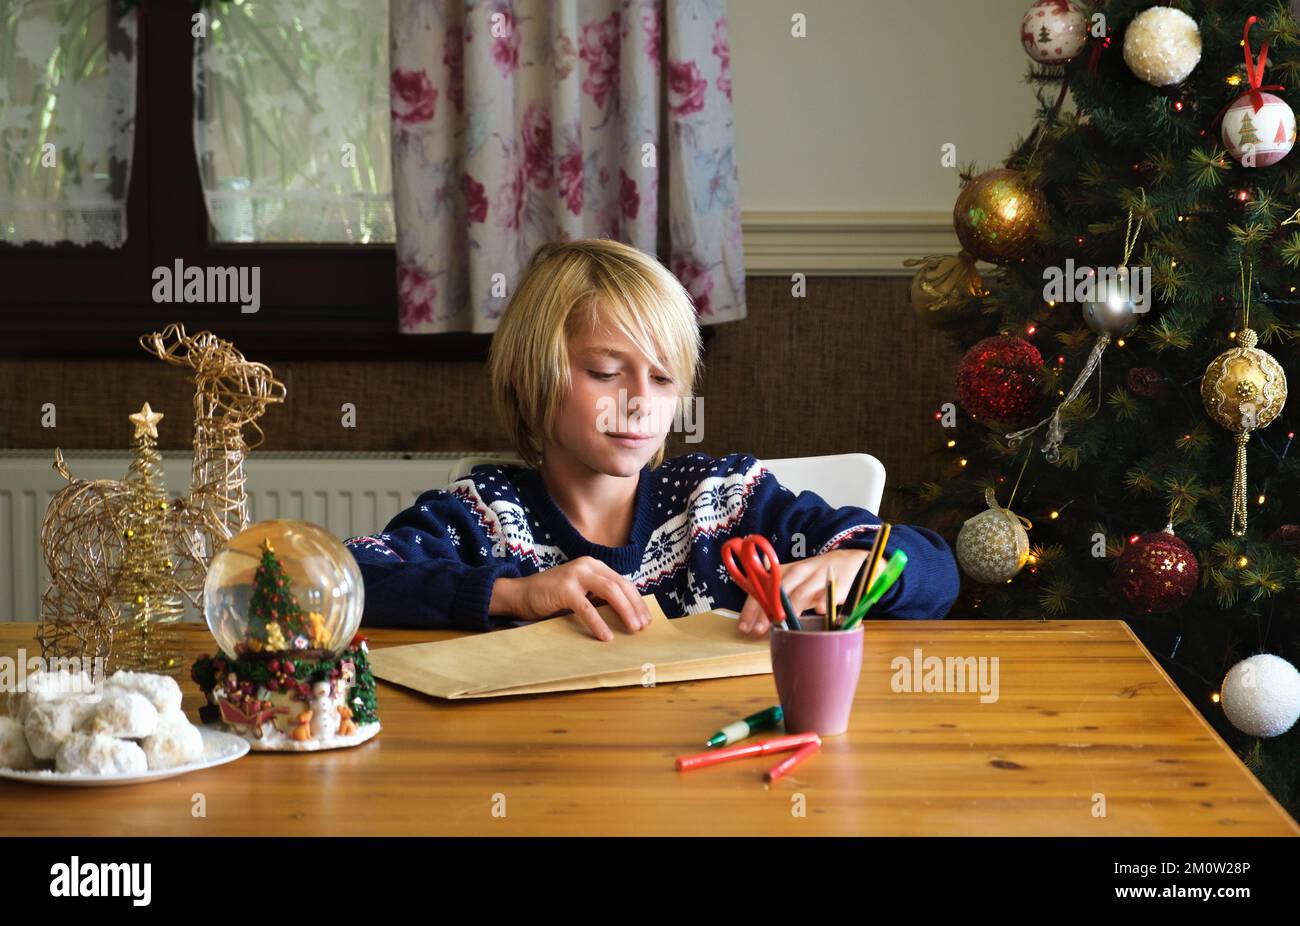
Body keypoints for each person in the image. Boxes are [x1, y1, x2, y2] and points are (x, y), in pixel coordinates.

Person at [344, 239, 958, 640]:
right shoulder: (481, 515)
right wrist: (513, 593)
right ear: (533, 378)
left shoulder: (725, 502)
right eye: (606, 373)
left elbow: (934, 567)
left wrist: (855, 566)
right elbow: (343, 581)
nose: (639, 399)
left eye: (663, 378)